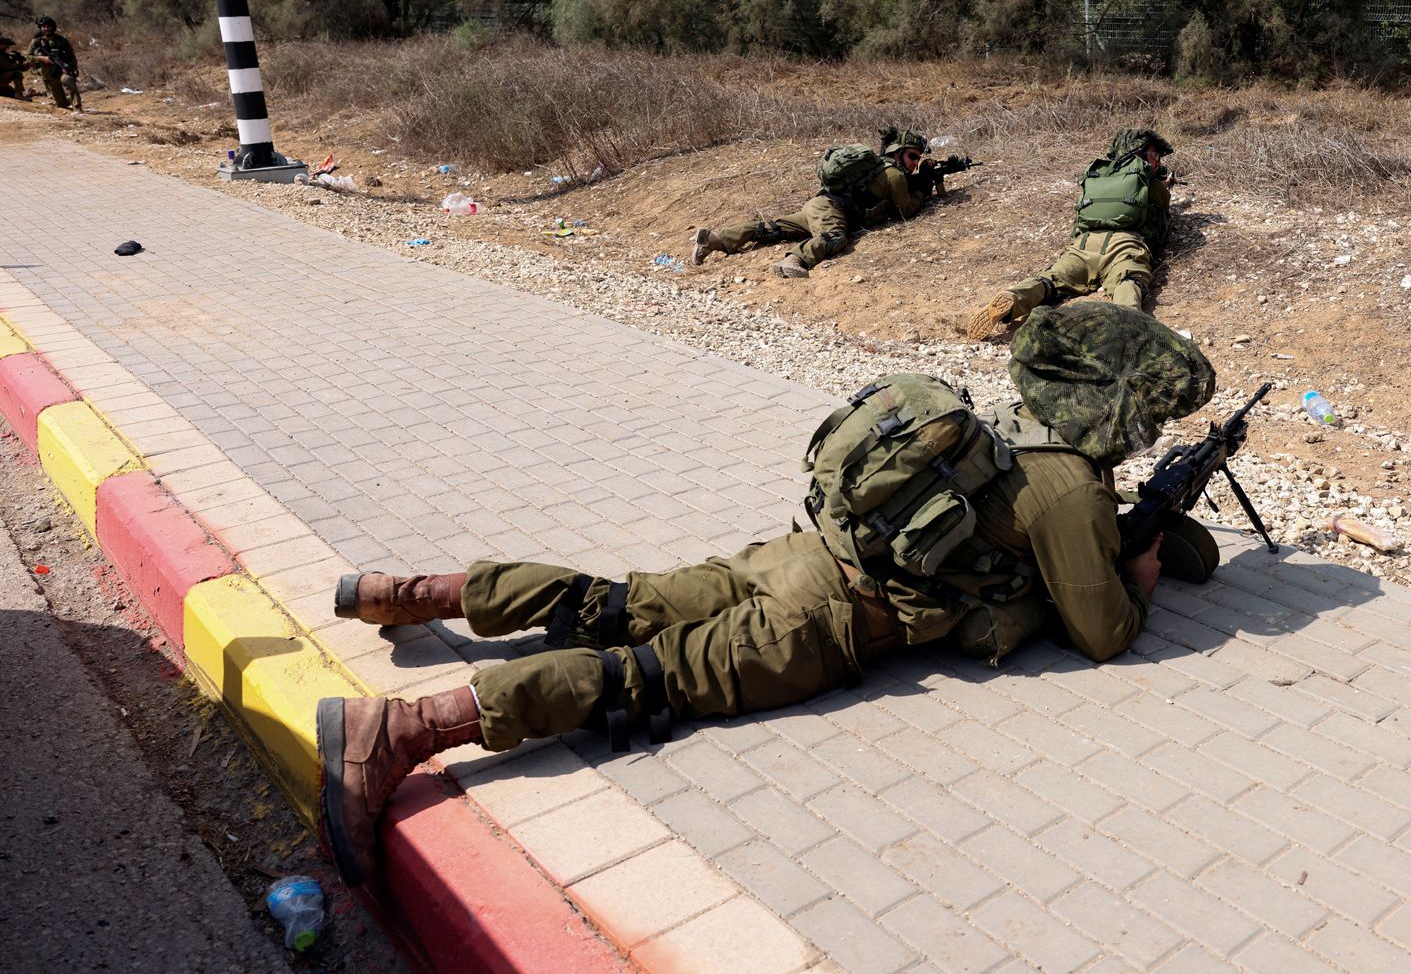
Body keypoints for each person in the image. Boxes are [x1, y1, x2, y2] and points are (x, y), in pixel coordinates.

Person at [315, 303, 1218, 886]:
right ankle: (404, 730)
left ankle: (413, 593)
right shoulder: (1070, 490)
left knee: (618, 602)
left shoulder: (1008, 429)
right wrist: (1135, 575)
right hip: (825, 625)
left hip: (790, 558)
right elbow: (1102, 634)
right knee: (647, 675)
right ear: (1124, 407)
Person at [967, 128, 1178, 337]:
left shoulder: (1099, 173)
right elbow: (1162, 208)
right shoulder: (1145, 179)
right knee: (1128, 280)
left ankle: (1013, 298)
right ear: (1139, 153)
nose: (1158, 161)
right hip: (1124, 244)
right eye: (1155, 155)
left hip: (1083, 245)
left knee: (1050, 280)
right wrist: (1164, 184)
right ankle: (1127, 324)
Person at [690, 127, 942, 279]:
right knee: (834, 238)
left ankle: (716, 239)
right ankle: (794, 260)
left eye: (917, 158)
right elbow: (905, 211)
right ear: (897, 153)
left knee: (773, 228)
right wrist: (924, 190)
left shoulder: (878, 170)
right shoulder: (895, 175)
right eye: (912, 156)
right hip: (833, 211)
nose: (914, 162)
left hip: (818, 204)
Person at [28, 16, 80, 112]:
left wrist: (69, 68)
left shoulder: (62, 41)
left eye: (48, 26)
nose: (46, 29)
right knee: (61, 105)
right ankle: (67, 100)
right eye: (43, 27)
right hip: (49, 75)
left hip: (62, 71)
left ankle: (77, 106)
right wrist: (41, 58)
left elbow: (72, 58)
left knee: (68, 80)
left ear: (53, 27)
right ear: (40, 28)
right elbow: (27, 57)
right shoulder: (36, 42)